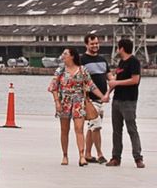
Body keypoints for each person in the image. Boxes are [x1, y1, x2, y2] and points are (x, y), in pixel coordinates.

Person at [48, 46, 94, 167]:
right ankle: (65, 155)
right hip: (64, 102)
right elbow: (53, 87)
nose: (63, 56)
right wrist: (57, 102)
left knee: (79, 129)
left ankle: (82, 156)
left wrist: (104, 96)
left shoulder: (82, 70)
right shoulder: (60, 70)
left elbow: (91, 85)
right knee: (64, 130)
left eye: (65, 54)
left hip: (79, 101)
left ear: (72, 56)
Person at [107, 37, 144, 169]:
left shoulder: (134, 62)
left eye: (118, 47)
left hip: (129, 101)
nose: (117, 49)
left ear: (122, 48)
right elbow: (115, 79)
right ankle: (116, 157)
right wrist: (107, 94)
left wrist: (116, 82)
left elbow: (135, 80)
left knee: (131, 129)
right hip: (117, 100)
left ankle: (138, 157)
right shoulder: (121, 63)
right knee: (116, 131)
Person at [81, 33, 110, 164]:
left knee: (92, 127)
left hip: (102, 99)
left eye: (97, 43)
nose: (95, 46)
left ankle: (87, 154)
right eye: (92, 43)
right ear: (86, 44)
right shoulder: (82, 60)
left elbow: (110, 77)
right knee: (96, 126)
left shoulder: (103, 60)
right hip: (89, 100)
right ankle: (100, 154)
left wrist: (109, 92)